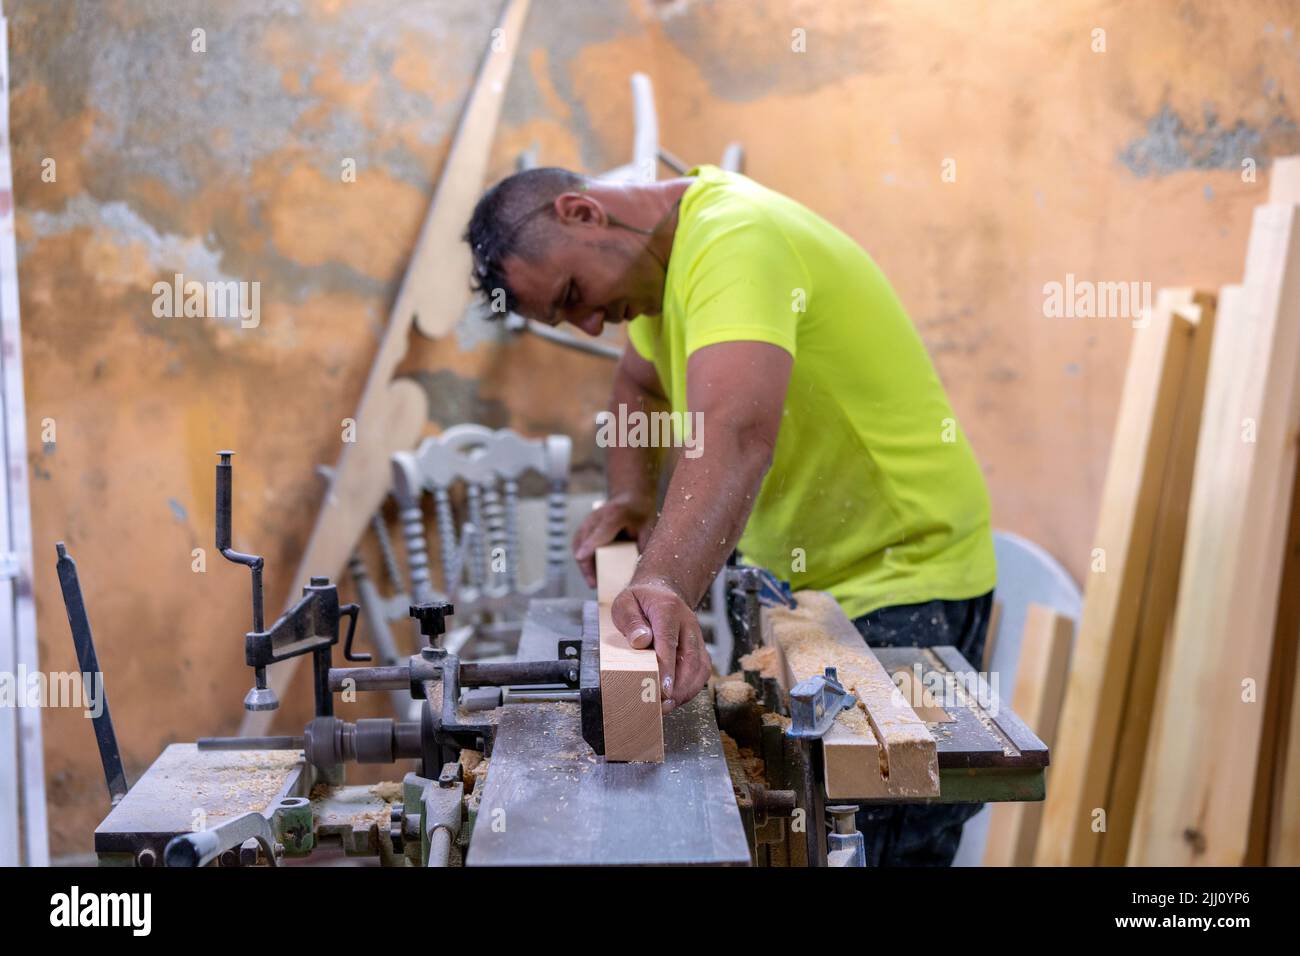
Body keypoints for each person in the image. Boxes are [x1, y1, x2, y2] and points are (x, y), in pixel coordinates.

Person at [464, 164, 997, 864]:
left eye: (575, 295)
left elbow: (736, 430)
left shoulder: (734, 236)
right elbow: (638, 383)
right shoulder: (664, 271)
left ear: (581, 212)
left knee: (871, 836)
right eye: (569, 318)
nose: (593, 322)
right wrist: (629, 496)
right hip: (800, 588)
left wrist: (661, 583)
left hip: (902, 577)